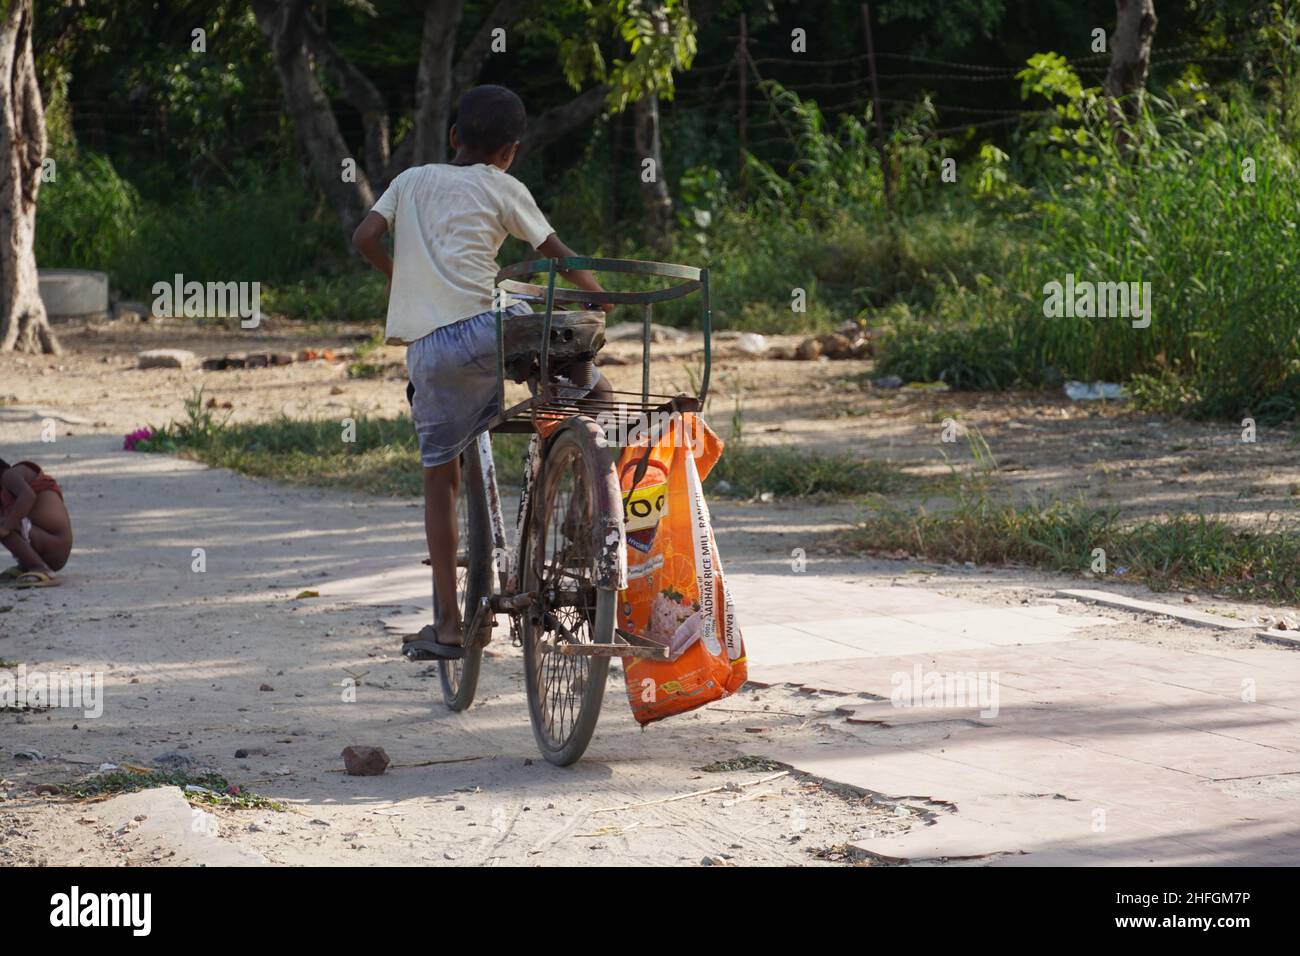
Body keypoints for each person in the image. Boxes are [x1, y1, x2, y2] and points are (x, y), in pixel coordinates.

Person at [351, 84, 612, 659]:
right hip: (493, 330)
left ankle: (448, 629)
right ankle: (576, 499)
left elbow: (365, 237)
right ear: (510, 151)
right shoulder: (504, 186)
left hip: (433, 352)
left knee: (439, 481)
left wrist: (401, 279)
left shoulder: (411, 180)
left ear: (453, 138)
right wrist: (599, 296)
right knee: (592, 393)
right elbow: (558, 255)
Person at [0, 457, 72, 588]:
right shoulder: (4, 490)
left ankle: (40, 568)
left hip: (55, 545)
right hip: (47, 544)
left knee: (3, 525)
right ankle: (28, 564)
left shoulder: (10, 475)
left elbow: (28, 496)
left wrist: (6, 527)